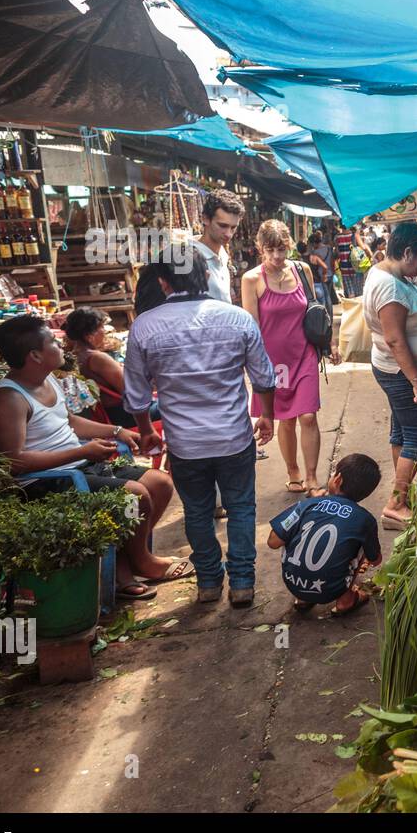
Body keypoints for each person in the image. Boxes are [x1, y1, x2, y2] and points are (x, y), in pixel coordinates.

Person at [0, 315, 185, 600]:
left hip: (81, 465)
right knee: (135, 496)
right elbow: (13, 462)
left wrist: (117, 431)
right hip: (48, 481)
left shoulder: (47, 378)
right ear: (35, 355)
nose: (61, 344)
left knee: (160, 484)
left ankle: (127, 559)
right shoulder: (7, 398)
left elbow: (69, 422)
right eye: (52, 341)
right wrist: (82, 451)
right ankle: (139, 563)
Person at [123, 247, 277, 607]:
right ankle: (242, 584)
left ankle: (208, 582)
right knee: (241, 509)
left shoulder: (144, 326)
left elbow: (136, 394)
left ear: (163, 283)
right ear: (206, 276)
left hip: (185, 444)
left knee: (197, 511)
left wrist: (146, 430)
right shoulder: (237, 319)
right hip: (234, 437)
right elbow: (264, 377)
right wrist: (266, 413)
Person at [241, 220, 340, 497]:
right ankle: (292, 470)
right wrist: (256, 369)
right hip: (273, 363)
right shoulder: (251, 279)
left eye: (282, 249)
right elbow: (252, 328)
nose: (277, 257)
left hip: (304, 354)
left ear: (289, 246)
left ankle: (311, 477)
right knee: (286, 418)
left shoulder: (302, 269)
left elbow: (317, 309)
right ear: (260, 248)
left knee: (308, 416)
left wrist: (329, 341)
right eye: (270, 250)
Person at [362, 221, 417, 529]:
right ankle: (396, 503)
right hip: (400, 372)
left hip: (393, 370)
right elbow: (395, 340)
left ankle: (403, 492)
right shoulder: (389, 287)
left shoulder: (387, 273)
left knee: (401, 431)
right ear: (407, 252)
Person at [267, 453, 382, 616]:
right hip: (332, 588)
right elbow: (376, 560)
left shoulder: (305, 505)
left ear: (337, 479)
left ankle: (302, 599)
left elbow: (273, 542)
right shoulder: (366, 519)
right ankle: (345, 600)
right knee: (361, 542)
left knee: (293, 528)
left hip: (292, 582)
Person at [63, 306, 160, 430]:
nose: (105, 331)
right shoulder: (97, 358)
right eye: (101, 328)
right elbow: (132, 390)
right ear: (89, 335)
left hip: (112, 413)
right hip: (126, 415)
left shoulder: (75, 355)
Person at [193, 189, 245, 304]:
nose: (228, 234)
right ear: (205, 219)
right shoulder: (188, 259)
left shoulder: (223, 256)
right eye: (222, 226)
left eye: (233, 227)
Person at [306, 230, 334, 311]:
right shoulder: (329, 248)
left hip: (322, 276)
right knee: (329, 297)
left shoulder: (315, 252)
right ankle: (330, 318)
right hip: (330, 274)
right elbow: (332, 261)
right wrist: (332, 271)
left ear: (314, 243)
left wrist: (324, 275)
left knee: (326, 298)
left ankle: (327, 318)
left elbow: (323, 266)